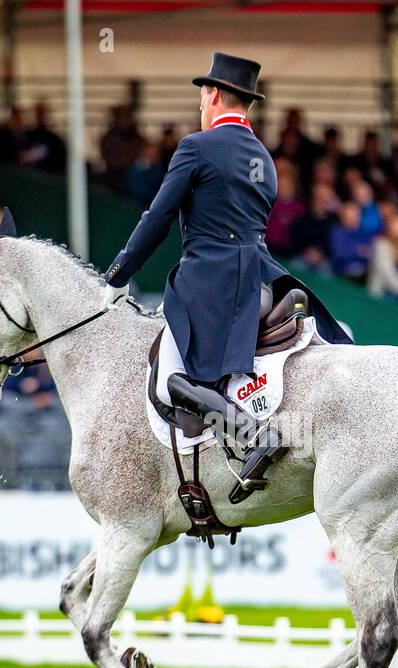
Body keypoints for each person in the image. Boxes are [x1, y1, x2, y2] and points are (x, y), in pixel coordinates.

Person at [99, 52, 352, 503]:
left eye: (202, 95)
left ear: (212, 94)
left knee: (172, 379)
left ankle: (253, 436)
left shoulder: (196, 147)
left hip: (211, 284)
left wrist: (118, 275)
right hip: (262, 279)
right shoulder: (265, 159)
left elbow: (158, 218)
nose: (201, 103)